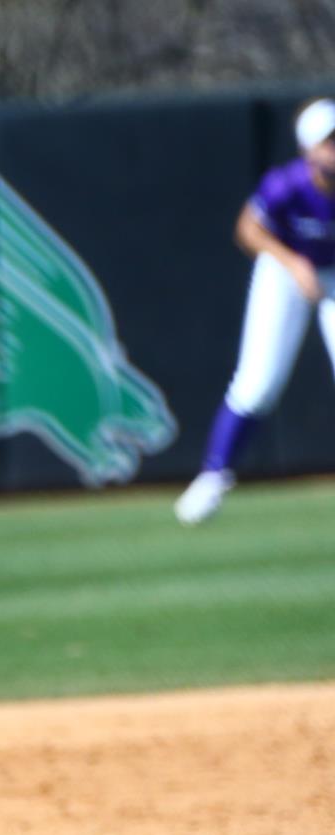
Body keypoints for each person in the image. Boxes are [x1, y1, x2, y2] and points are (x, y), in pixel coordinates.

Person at [176, 99, 335, 525]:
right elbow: (248, 229)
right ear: (309, 150)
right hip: (284, 270)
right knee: (259, 381)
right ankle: (212, 478)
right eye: (329, 142)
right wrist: (294, 262)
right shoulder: (287, 186)